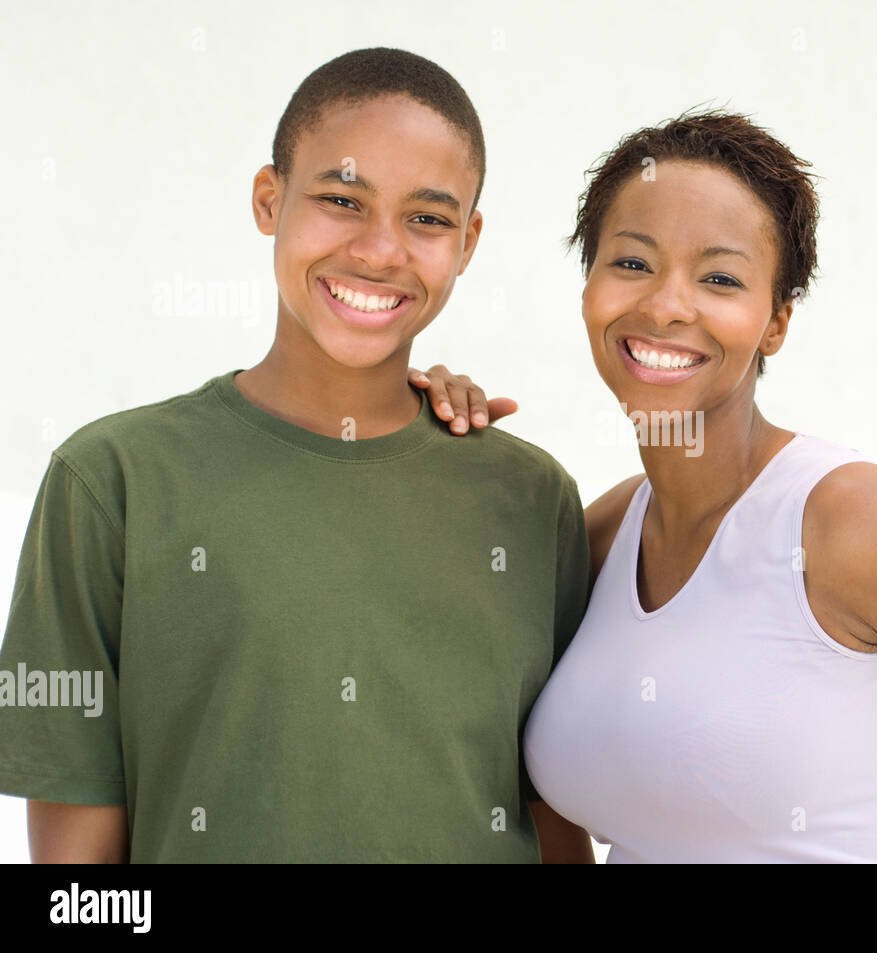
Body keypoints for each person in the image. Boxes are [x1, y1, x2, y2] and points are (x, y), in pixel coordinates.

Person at [412, 109, 877, 862]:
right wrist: (422, 434)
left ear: (775, 323)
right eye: (632, 262)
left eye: (720, 278)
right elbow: (535, 791)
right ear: (588, 288)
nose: (667, 303)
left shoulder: (854, 525)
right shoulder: (599, 537)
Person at [0, 47, 593, 863]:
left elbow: (554, 815)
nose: (381, 250)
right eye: (342, 199)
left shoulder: (531, 499)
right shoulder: (111, 482)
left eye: (426, 217)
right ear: (268, 199)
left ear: (468, 240)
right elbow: (76, 873)